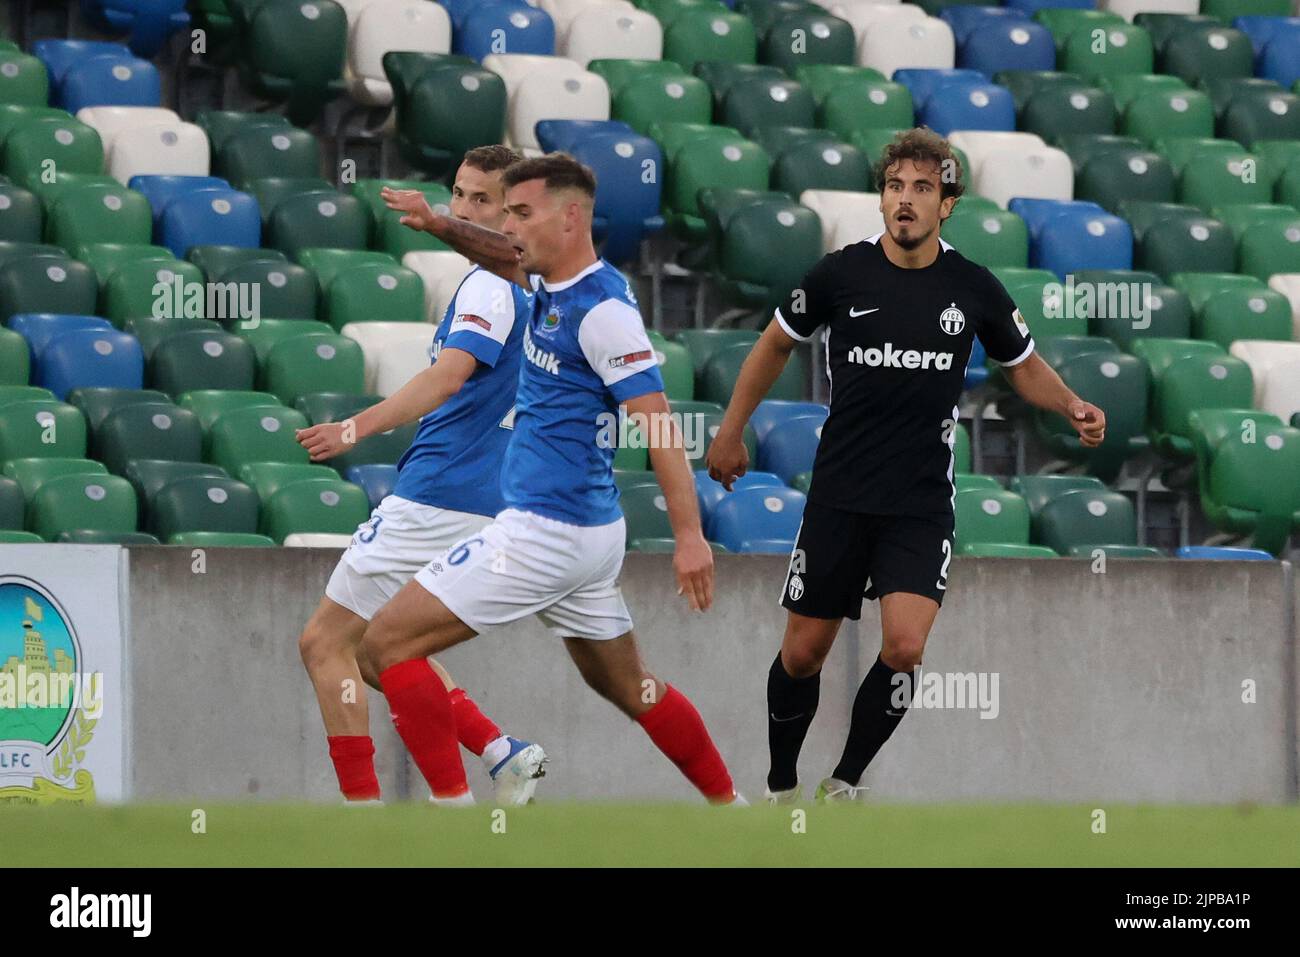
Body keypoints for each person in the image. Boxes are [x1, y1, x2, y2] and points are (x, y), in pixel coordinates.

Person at [705, 127, 1107, 802]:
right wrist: (730, 430)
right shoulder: (840, 273)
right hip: (839, 494)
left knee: (905, 647)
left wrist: (1070, 403)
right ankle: (780, 786)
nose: (906, 200)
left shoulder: (973, 287)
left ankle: (845, 781)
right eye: (895, 186)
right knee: (804, 653)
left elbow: (1023, 366)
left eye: (923, 188)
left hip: (920, 503)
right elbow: (775, 343)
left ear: (947, 202)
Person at [370, 153, 743, 805]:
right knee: (634, 688)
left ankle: (450, 818)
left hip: (545, 532)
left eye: (521, 212)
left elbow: (657, 424)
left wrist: (690, 535)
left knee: (385, 643)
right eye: (505, 212)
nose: (508, 227)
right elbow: (499, 256)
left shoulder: (602, 313)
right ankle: (733, 812)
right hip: (585, 533)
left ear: (571, 218)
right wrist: (435, 224)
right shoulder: (549, 281)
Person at [295, 145, 546, 805]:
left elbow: (447, 376)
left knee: (325, 644)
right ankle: (498, 753)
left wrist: (355, 427)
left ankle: (368, 818)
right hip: (488, 494)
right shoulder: (531, 281)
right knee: (387, 646)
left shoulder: (491, 287)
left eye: (480, 200)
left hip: (439, 491)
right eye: (458, 195)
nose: (462, 209)